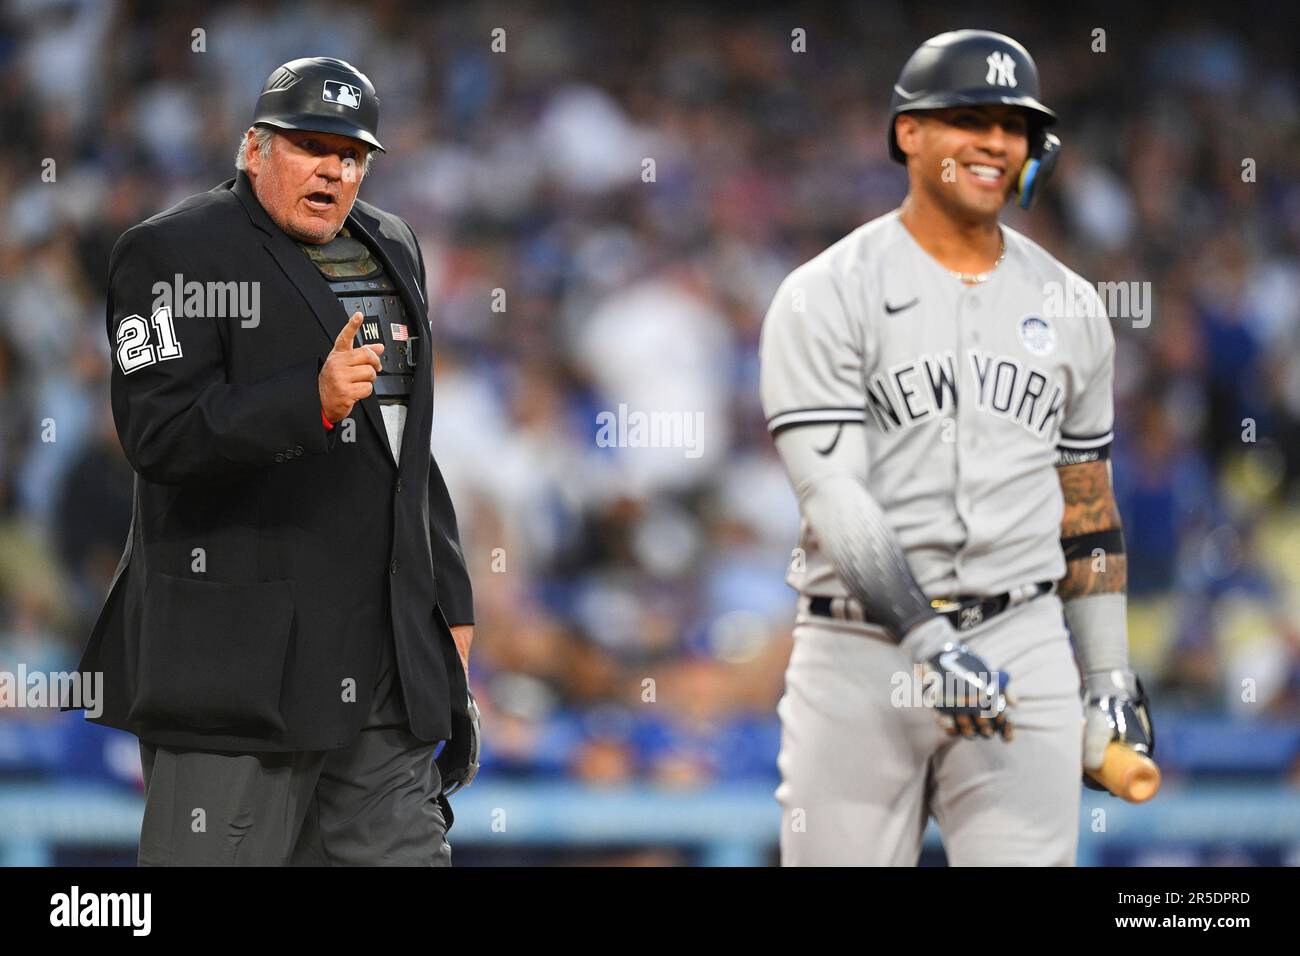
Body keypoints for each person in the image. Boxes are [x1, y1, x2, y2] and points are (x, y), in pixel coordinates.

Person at [67, 57, 479, 866]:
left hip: (384, 672)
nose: (333, 169)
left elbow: (404, 450)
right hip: (239, 676)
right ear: (254, 148)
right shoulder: (170, 253)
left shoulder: (392, 246)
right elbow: (159, 435)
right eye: (310, 145)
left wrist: (450, 609)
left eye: (351, 155)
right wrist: (310, 402)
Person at [759, 30, 1153, 866]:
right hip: (861, 646)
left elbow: (1087, 506)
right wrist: (929, 643)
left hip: (1022, 636)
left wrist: (1110, 675)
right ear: (909, 132)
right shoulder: (823, 294)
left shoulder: (1073, 305)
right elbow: (831, 494)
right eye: (968, 119)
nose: (994, 144)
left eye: (1013, 127)